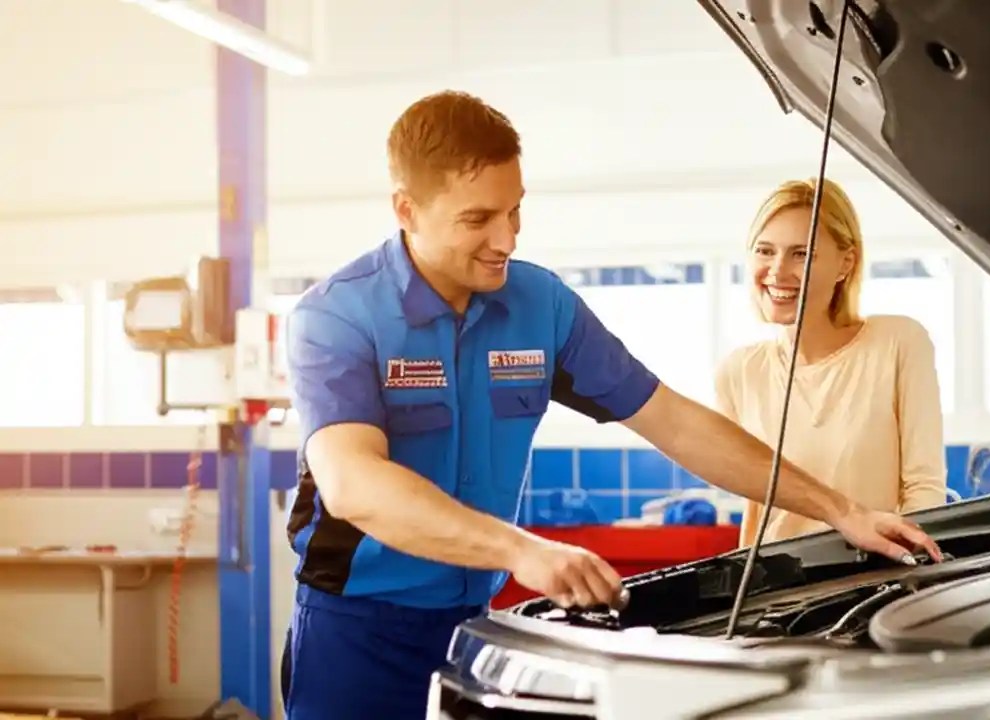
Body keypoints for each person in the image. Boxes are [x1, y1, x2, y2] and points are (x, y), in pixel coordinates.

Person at [279, 91, 943, 720]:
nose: (507, 239)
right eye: (478, 219)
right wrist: (521, 550)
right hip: (356, 634)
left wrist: (841, 510)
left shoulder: (540, 307)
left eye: (515, 211)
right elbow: (354, 484)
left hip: (472, 628)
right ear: (407, 210)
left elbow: (673, 420)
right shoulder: (337, 317)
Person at [715, 178, 948, 548]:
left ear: (845, 263)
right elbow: (755, 506)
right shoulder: (740, 371)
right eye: (764, 251)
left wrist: (914, 565)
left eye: (801, 254)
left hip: (877, 573)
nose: (777, 271)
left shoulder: (898, 342)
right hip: (778, 577)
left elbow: (924, 488)